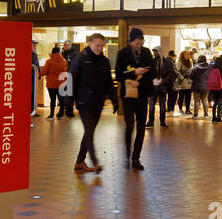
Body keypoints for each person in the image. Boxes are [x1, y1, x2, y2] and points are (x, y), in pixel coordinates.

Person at [69, 33, 118, 174]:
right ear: (90, 44)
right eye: (97, 45)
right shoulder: (81, 59)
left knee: (89, 132)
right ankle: (95, 161)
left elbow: (109, 82)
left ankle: (79, 162)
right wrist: (69, 102)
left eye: (102, 46)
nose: (100, 48)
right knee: (89, 130)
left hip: (98, 102)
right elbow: (71, 78)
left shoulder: (104, 61)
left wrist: (114, 100)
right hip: (83, 101)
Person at [115, 27, 153, 170]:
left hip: (142, 95)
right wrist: (133, 74)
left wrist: (141, 81)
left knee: (141, 127)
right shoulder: (123, 53)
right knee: (130, 125)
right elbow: (119, 75)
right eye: (137, 43)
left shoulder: (146, 52)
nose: (139, 46)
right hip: (128, 96)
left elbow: (152, 72)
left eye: (141, 43)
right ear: (130, 41)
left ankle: (136, 158)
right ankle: (127, 155)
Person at [146, 46, 172, 129]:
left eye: (156, 52)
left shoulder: (167, 62)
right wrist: (152, 80)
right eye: (154, 52)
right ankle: (151, 121)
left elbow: (169, 74)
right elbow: (149, 73)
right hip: (153, 86)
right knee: (152, 105)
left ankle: (162, 121)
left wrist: (163, 81)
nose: (154, 53)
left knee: (162, 105)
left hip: (162, 86)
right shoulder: (153, 61)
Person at [39, 45, 68, 119]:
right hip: (61, 83)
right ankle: (60, 115)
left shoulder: (49, 61)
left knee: (53, 99)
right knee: (61, 100)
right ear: (59, 52)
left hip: (51, 84)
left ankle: (51, 115)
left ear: (52, 52)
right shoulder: (64, 61)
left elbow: (45, 71)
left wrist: (38, 74)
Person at [60, 43, 77, 118]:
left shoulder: (75, 54)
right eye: (65, 45)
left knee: (70, 94)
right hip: (62, 76)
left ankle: (69, 111)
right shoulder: (61, 54)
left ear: (70, 46)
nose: (66, 46)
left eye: (67, 45)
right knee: (62, 93)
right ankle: (62, 109)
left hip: (71, 76)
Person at [175, 50, 193, 116]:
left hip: (188, 82)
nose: (188, 56)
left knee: (188, 97)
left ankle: (187, 109)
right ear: (183, 55)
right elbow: (177, 71)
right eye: (186, 54)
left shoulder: (190, 62)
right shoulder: (179, 62)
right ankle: (180, 109)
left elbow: (191, 70)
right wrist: (181, 77)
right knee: (181, 96)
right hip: (182, 81)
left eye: (188, 54)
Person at [30, 40, 41, 116]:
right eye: (33, 44)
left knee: (33, 94)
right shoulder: (32, 54)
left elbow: (37, 65)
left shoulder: (34, 53)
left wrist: (38, 74)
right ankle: (31, 110)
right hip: (30, 77)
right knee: (30, 94)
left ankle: (33, 109)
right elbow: (33, 63)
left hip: (34, 76)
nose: (35, 46)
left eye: (35, 45)